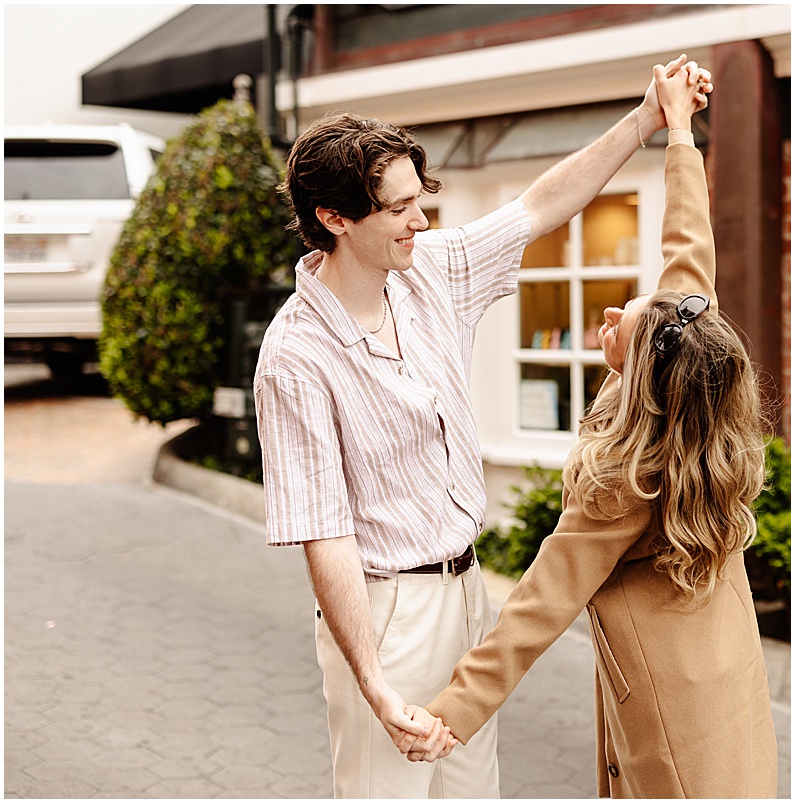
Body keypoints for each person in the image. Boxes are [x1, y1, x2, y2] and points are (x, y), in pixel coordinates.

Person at [253, 55, 712, 799]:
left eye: (419, 197)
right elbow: (325, 532)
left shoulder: (430, 268)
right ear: (335, 219)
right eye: (398, 208)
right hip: (388, 612)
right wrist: (370, 680)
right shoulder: (294, 357)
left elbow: (540, 204)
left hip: (470, 592)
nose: (420, 219)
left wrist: (646, 121)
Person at [419, 64, 778, 798]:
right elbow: (688, 245)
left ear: (645, 373)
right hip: (724, 658)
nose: (613, 315)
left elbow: (543, 597)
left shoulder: (626, 481)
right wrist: (678, 129)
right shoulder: (688, 382)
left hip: (669, 697)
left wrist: (452, 712)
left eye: (628, 322)